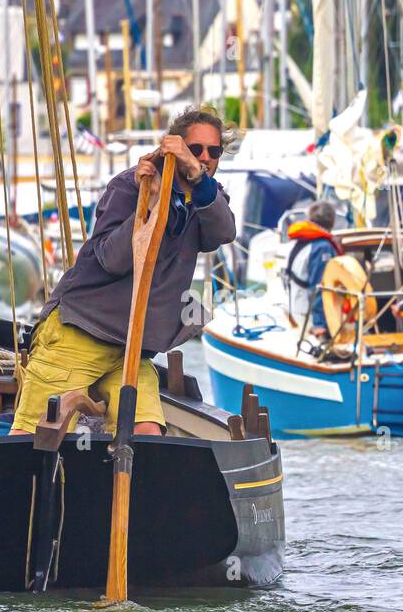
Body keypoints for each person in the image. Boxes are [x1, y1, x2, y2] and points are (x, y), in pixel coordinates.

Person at [12, 107, 237, 436]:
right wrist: (152, 204)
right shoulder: (133, 186)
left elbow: (222, 233)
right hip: (82, 332)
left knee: (147, 437)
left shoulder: (206, 200)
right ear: (176, 147)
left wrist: (199, 181)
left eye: (213, 151)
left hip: (132, 347)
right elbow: (113, 259)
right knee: (36, 438)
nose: (204, 157)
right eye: (195, 149)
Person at [283, 200, 342, 338]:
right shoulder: (322, 248)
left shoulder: (299, 242)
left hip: (295, 310)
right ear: (332, 221)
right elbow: (319, 286)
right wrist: (319, 324)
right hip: (309, 318)